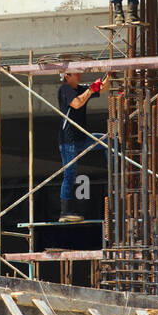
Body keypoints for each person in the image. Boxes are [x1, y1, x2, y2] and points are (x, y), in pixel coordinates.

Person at [57, 69, 107, 222]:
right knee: (69, 174)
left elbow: (102, 89)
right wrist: (91, 89)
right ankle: (65, 212)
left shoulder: (80, 88)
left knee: (108, 140)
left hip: (82, 138)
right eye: (76, 73)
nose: (79, 75)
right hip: (68, 140)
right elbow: (77, 103)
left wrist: (109, 75)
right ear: (67, 76)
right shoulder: (65, 90)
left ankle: (113, 169)